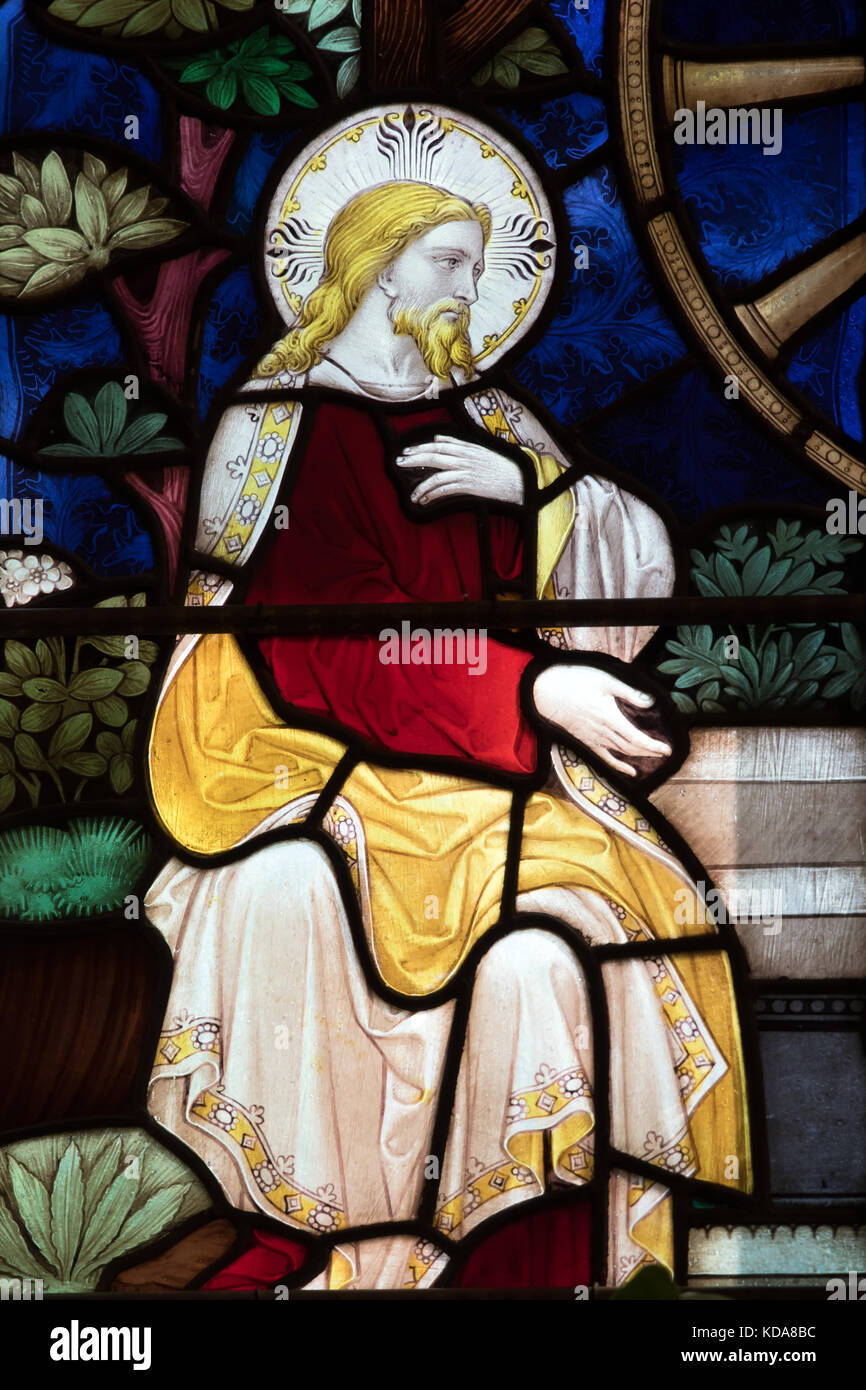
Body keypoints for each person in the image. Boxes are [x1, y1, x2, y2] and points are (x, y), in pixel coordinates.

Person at [145, 127, 751, 1291]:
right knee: (302, 899)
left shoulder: (491, 422)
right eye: (451, 260)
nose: (472, 289)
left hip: (491, 770)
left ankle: (534, 1269)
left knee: (594, 939)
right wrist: (533, 688)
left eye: (480, 265)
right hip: (304, 762)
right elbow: (329, 646)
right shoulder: (278, 424)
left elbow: (629, 571)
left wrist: (535, 490)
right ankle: (321, 1236)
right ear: (377, 265)